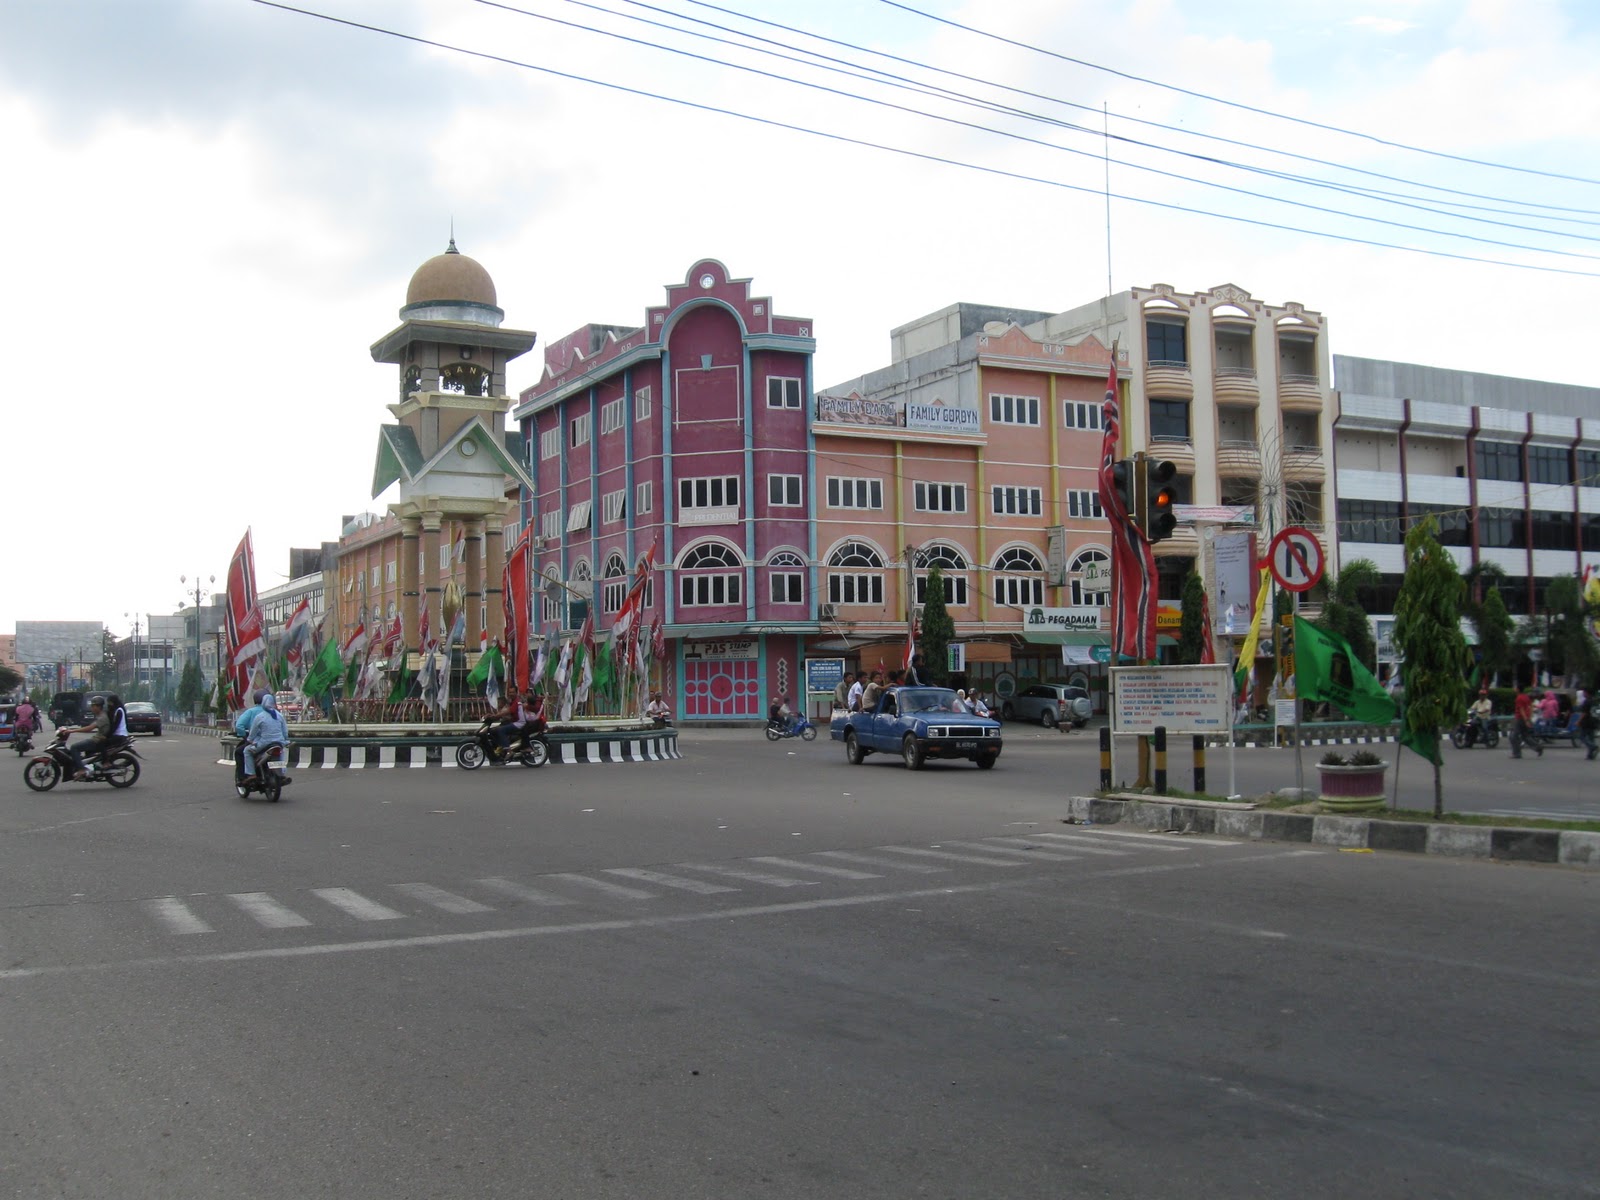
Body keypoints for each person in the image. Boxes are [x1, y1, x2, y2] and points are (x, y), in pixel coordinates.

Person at [242, 693, 290, 783]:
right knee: (282, 754)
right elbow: (285, 731)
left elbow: (253, 732)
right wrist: (285, 740)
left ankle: (251, 774)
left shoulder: (260, 717)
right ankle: (282, 774)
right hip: (279, 742)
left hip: (264, 743)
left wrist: (250, 740)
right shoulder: (279, 715)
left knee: (247, 751)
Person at [64, 696, 112, 780]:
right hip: (97, 739)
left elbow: (89, 728)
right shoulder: (101, 715)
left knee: (74, 747)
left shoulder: (102, 718)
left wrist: (72, 731)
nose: (92, 708)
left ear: (99, 707)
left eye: (93, 706)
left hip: (97, 741)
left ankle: (82, 769)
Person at [1511, 685, 1541, 759]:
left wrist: (1526, 720)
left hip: (1520, 719)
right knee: (1525, 736)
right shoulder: (1526, 697)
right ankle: (1538, 747)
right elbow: (1530, 707)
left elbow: (1521, 710)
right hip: (1525, 718)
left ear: (1518, 689)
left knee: (1513, 736)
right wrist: (1529, 718)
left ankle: (1517, 753)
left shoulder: (1519, 698)